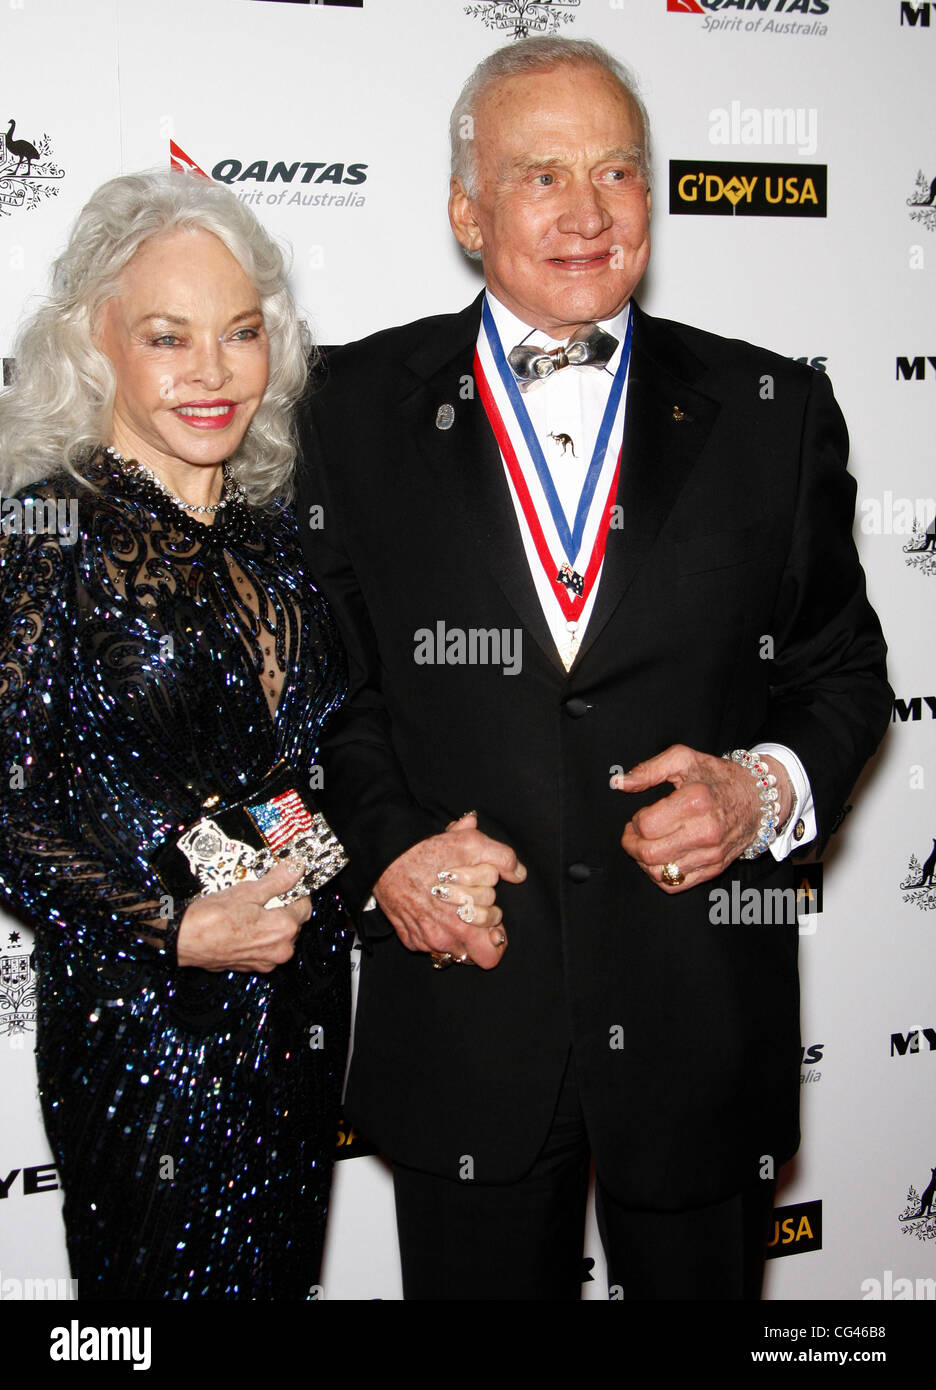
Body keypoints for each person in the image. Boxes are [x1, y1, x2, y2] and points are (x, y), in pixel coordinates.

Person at [297, 37, 891, 1300]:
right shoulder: (348, 409)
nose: (587, 212)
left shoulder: (772, 410)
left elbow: (841, 674)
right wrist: (394, 848)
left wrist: (762, 789)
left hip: (699, 1020)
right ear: (467, 210)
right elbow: (332, 694)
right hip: (468, 997)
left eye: (618, 170)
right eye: (541, 175)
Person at [0, 169, 352, 1299]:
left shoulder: (279, 541)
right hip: (143, 1024)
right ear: (94, 339)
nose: (213, 370)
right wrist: (171, 925)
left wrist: (333, 878)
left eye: (241, 331)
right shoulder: (46, 531)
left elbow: (295, 775)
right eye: (168, 336)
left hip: (294, 1013)